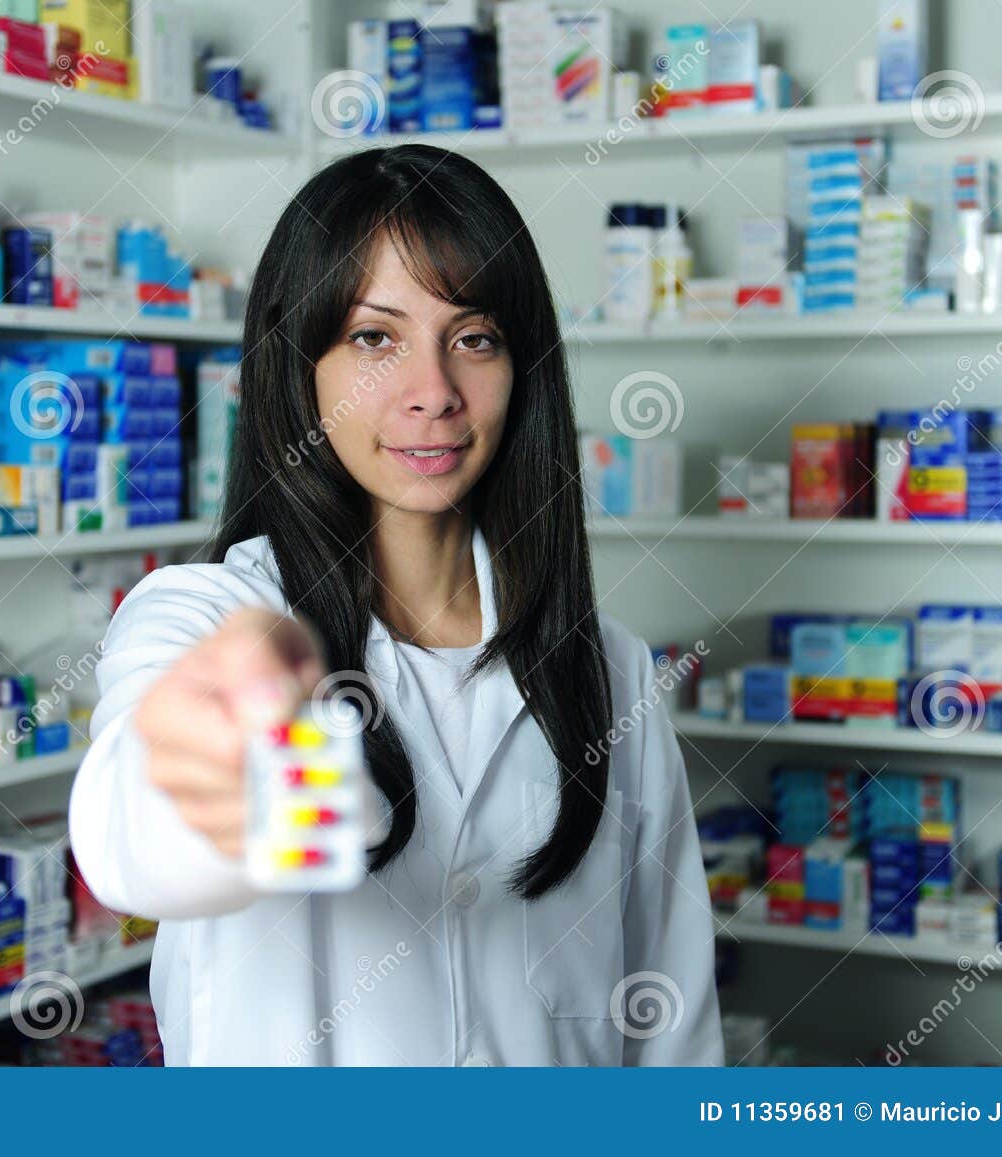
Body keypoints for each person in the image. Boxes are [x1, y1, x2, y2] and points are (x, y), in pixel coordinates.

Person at [69, 144, 722, 1066]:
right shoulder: (204, 616)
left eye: (474, 337)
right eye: (375, 338)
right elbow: (132, 842)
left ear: (520, 368)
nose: (434, 393)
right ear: (303, 370)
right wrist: (208, 752)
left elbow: (674, 1013)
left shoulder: (609, 667)